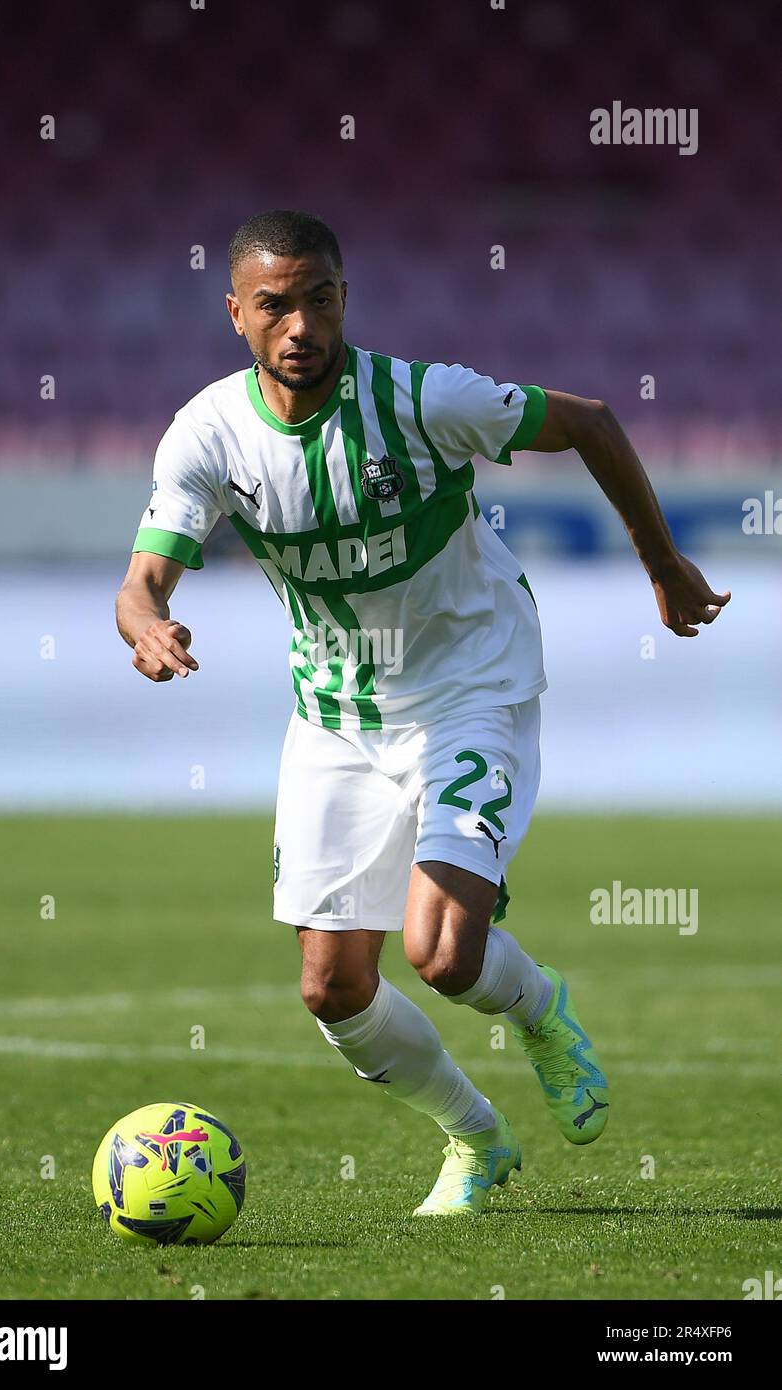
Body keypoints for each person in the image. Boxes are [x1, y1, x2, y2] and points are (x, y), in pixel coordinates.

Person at [116, 209, 730, 1215]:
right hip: (333, 720)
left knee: (440, 953)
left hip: (468, 687)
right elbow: (139, 583)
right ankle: (474, 1138)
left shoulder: (420, 399)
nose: (300, 324)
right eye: (273, 305)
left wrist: (659, 562)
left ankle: (540, 1014)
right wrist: (147, 626)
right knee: (330, 988)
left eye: (319, 298)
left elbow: (586, 420)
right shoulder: (207, 436)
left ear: (344, 298)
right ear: (236, 314)